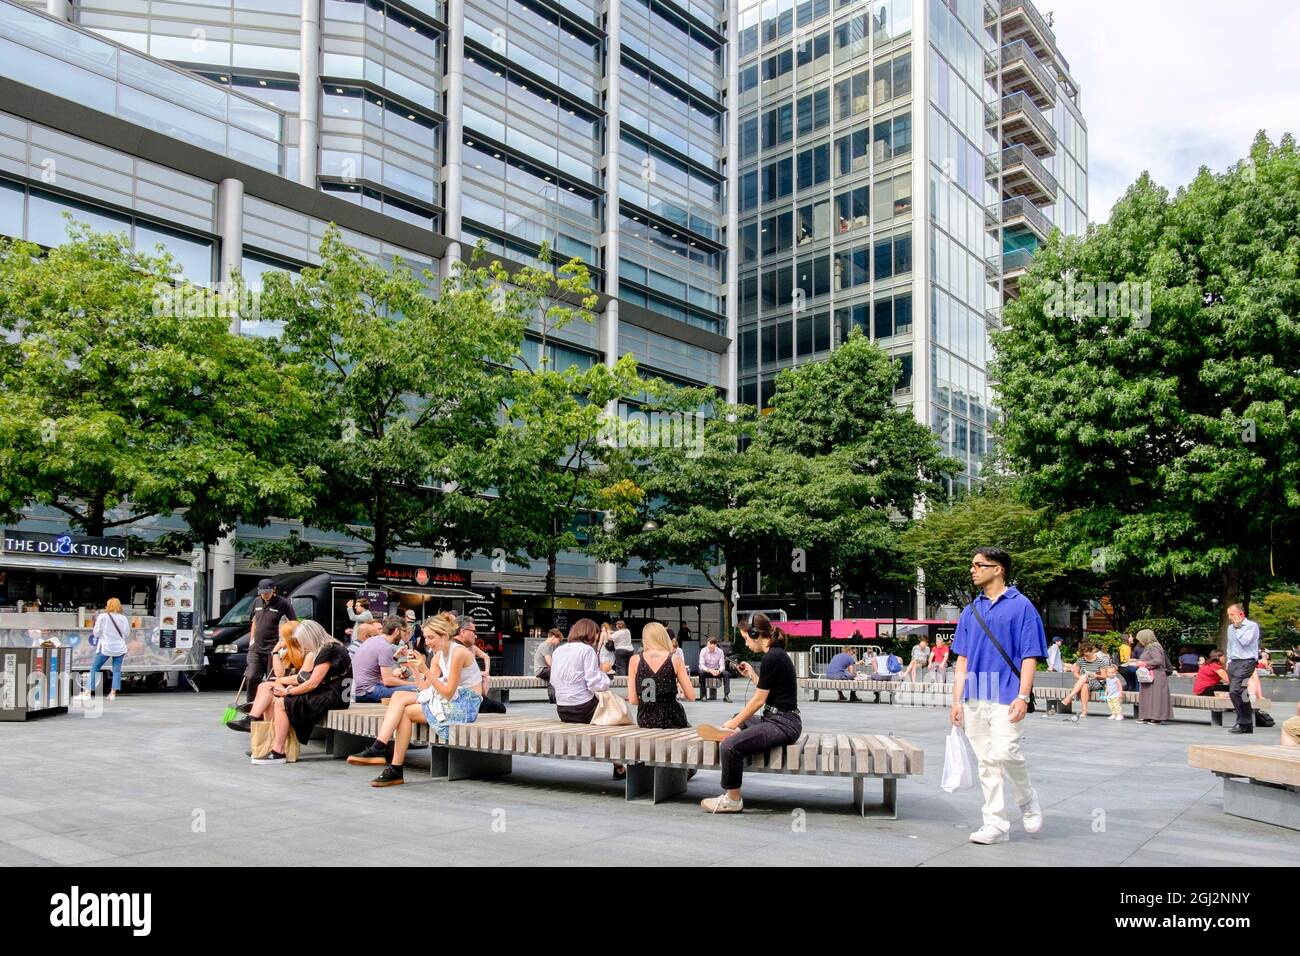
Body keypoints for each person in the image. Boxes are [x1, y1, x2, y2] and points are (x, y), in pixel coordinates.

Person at [949, 546, 1046, 845]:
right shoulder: (970, 610)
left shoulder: (1022, 606)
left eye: (979, 564)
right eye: (972, 564)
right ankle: (995, 824)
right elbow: (961, 660)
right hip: (976, 694)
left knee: (1006, 752)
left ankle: (1027, 798)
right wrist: (956, 701)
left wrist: (1023, 696)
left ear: (998, 569)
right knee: (986, 761)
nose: (973, 569)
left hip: (1007, 693)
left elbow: (1030, 655)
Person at [696, 613, 801, 814]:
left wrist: (733, 722)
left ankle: (732, 799)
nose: (745, 644)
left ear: (755, 633)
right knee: (739, 720)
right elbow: (769, 692)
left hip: (783, 723)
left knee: (729, 747)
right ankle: (735, 732)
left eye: (745, 638)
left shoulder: (772, 656)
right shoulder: (776, 654)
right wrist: (752, 675)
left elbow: (758, 700)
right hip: (779, 718)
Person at [369, 614, 483, 787]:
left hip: (465, 705)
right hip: (450, 701)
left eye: (431, 637)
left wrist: (424, 668)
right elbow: (425, 690)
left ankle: (385, 756)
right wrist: (414, 668)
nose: (427, 642)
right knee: (401, 701)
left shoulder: (458, 653)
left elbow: (448, 694)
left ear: (444, 635)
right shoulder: (437, 657)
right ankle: (387, 757)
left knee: (404, 706)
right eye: (425, 637)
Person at [251, 621, 351, 765]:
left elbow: (312, 683)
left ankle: (278, 750)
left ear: (310, 637)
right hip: (337, 695)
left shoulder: (327, 650)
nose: (304, 646)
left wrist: (288, 691)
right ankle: (275, 746)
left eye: (303, 641)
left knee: (281, 703)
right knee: (280, 700)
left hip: (332, 696)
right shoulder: (333, 647)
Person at [629, 622, 695, 731]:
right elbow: (691, 696)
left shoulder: (635, 660)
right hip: (671, 718)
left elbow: (633, 700)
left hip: (645, 719)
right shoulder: (675, 659)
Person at [243, 578, 297, 706]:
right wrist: (252, 640)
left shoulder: (284, 604)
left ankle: (270, 707)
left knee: (272, 680)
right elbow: (254, 622)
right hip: (256, 648)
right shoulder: (256, 601)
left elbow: (294, 624)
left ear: (274, 590)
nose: (265, 595)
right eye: (262, 592)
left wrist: (285, 644)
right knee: (251, 676)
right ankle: (251, 706)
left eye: (267, 592)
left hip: (274, 649)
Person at [551, 618, 611, 724]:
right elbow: (594, 684)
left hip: (562, 710)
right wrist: (604, 673)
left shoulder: (558, 651)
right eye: (596, 636)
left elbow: (553, 681)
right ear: (590, 633)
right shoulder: (587, 650)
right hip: (583, 710)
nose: (596, 640)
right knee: (612, 702)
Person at [351, 615, 419, 703]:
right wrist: (415, 684)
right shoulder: (386, 647)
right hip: (369, 692)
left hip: (360, 692)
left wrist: (395, 657)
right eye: (404, 631)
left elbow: (376, 668)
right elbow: (388, 681)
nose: (404, 635)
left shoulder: (372, 640)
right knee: (418, 689)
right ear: (397, 631)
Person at [80, 597, 130, 701]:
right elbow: (127, 633)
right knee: (117, 670)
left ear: (108, 605)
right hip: (120, 647)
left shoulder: (103, 616)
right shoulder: (123, 618)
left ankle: (88, 692)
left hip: (105, 647)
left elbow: (96, 632)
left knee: (95, 668)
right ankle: (112, 693)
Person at [1225, 603, 1260, 734]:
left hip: (1247, 662)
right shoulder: (1230, 628)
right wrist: (1229, 660)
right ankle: (1248, 724)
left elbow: (1245, 642)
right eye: (1228, 614)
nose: (1230, 617)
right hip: (1234, 663)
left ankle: (1242, 721)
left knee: (1234, 691)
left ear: (1240, 614)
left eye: (1232, 614)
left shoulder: (1252, 626)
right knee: (1242, 693)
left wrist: (1238, 627)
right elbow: (1230, 645)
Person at [1060, 640, 1111, 719]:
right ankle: (1084, 711)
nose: (1085, 656)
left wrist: (1095, 675)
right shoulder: (1081, 660)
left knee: (1085, 678)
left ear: (1092, 652)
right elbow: (1076, 673)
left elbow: (1104, 676)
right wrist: (1081, 678)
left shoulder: (1100, 661)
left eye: (1087, 654)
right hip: (1085, 681)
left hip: (1097, 682)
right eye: (1084, 654)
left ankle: (1069, 697)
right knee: (1084, 685)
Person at [1135, 628, 1172, 724]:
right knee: (1148, 696)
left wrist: (1143, 664)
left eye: (1140, 639)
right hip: (1150, 675)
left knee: (1156, 697)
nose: (1139, 641)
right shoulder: (1149, 646)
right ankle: (1147, 716)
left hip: (1156, 675)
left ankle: (1156, 717)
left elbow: (1158, 660)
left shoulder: (1153, 646)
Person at [698, 635, 732, 702]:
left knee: (726, 673)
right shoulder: (703, 651)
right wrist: (709, 670)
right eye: (708, 644)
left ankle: (726, 695)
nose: (709, 646)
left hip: (716, 671)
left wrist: (719, 671)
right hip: (707, 671)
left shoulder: (720, 652)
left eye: (711, 644)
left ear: (715, 645)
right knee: (701, 672)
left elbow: (722, 666)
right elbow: (701, 665)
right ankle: (703, 695)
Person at [534, 627, 563, 704]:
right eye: (559, 640)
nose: (559, 642)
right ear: (553, 637)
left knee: (552, 678)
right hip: (541, 670)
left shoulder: (551, 646)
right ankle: (554, 697)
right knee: (556, 674)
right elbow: (549, 662)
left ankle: (553, 698)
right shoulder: (545, 646)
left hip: (547, 669)